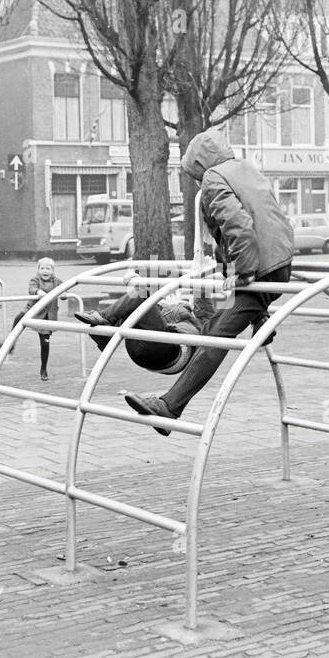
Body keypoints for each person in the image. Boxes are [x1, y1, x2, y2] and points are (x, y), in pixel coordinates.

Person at [122, 128, 294, 435]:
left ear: (199, 166)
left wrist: (244, 272)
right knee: (222, 317)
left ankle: (170, 406)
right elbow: (257, 222)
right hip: (279, 260)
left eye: (194, 175)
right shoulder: (245, 169)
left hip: (260, 269)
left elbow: (238, 225)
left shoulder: (214, 178)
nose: (197, 182)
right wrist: (235, 268)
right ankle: (261, 320)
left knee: (215, 337)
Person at [75, 275, 215, 375]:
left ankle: (104, 326)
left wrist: (201, 273)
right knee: (138, 298)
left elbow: (204, 307)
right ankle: (105, 328)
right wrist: (136, 280)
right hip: (139, 349)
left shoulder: (197, 322)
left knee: (141, 293)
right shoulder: (164, 310)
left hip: (170, 353)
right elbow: (141, 304)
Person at [12, 257, 63, 381]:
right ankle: (11, 342)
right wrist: (38, 291)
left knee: (45, 343)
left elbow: (64, 290)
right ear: (38, 270)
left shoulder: (57, 281)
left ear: (53, 270)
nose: (45, 271)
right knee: (19, 318)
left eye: (48, 268)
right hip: (33, 310)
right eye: (42, 268)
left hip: (47, 316)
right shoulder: (35, 279)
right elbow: (32, 289)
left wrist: (64, 294)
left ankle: (43, 368)